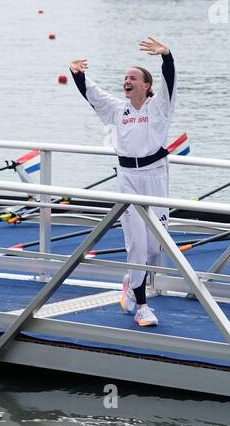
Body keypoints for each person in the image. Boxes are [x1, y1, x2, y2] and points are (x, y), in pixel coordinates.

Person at [69, 37, 176, 329]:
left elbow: (170, 81)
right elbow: (92, 94)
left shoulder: (160, 106)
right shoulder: (118, 109)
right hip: (128, 179)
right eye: (125, 78)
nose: (127, 81)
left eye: (133, 78)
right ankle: (142, 306)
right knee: (136, 245)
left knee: (155, 248)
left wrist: (166, 56)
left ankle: (132, 281)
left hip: (156, 177)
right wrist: (77, 73)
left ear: (147, 85)